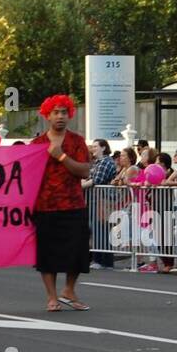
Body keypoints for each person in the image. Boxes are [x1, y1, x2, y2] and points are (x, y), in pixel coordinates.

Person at [32, 94, 92, 311]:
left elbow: (85, 171)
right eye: (56, 112)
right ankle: (52, 297)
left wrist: (62, 157)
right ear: (47, 116)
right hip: (45, 206)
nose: (60, 116)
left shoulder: (76, 141)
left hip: (73, 204)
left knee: (77, 249)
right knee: (47, 253)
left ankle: (69, 289)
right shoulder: (37, 144)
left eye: (64, 112)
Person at [84, 138, 118, 270]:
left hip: (102, 200)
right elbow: (89, 177)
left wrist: (80, 186)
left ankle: (104, 261)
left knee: (101, 230)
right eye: (92, 147)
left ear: (103, 148)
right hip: (95, 199)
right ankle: (100, 259)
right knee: (97, 229)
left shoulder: (105, 162)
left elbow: (96, 180)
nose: (93, 149)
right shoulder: (97, 163)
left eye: (95, 146)